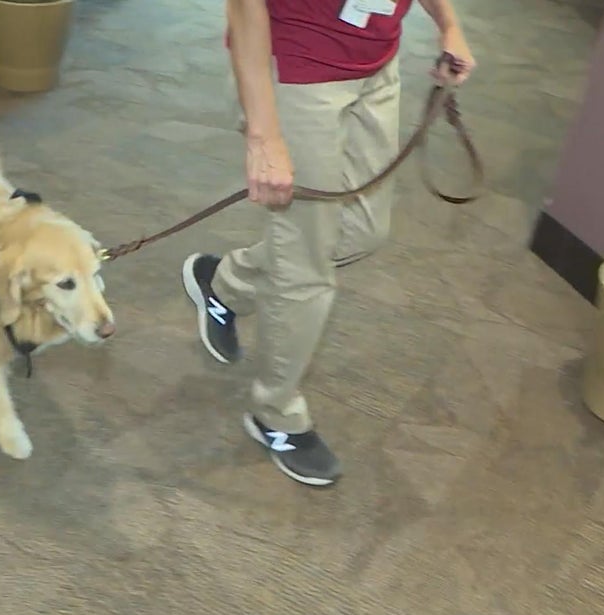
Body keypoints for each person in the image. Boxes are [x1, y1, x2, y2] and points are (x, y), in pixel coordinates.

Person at [181, 0, 475, 486]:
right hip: (298, 70)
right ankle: (276, 414)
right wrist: (264, 136)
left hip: (375, 60)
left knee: (362, 231)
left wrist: (449, 24)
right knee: (305, 264)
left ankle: (226, 284)